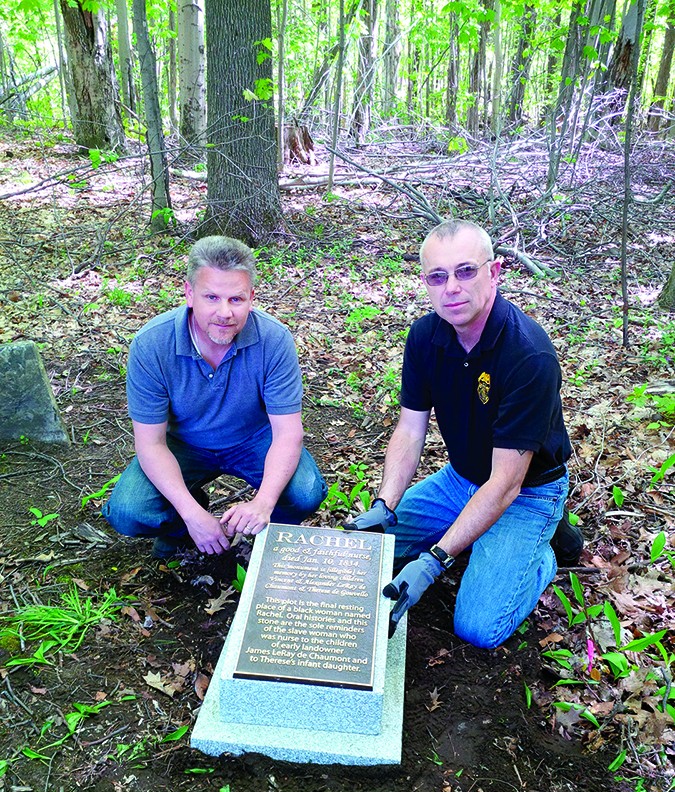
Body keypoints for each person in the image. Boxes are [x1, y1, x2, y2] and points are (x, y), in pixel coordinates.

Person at [345, 219, 582, 647]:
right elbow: (410, 429)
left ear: (494, 272)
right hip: (460, 480)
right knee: (365, 555)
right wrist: (386, 503)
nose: (451, 287)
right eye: (438, 276)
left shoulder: (528, 355)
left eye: (465, 271)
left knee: (478, 628)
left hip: (527, 493)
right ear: (426, 283)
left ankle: (540, 553)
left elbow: (507, 484)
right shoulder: (425, 336)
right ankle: (479, 537)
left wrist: (436, 560)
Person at [103, 236, 326, 557]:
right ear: (189, 294)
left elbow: (288, 434)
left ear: (252, 297)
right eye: (211, 297)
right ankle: (186, 531)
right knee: (129, 511)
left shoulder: (274, 340)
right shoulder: (152, 344)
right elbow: (150, 443)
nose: (225, 312)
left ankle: (261, 535)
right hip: (183, 445)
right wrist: (192, 515)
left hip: (254, 439)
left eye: (236, 299)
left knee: (304, 493)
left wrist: (262, 503)